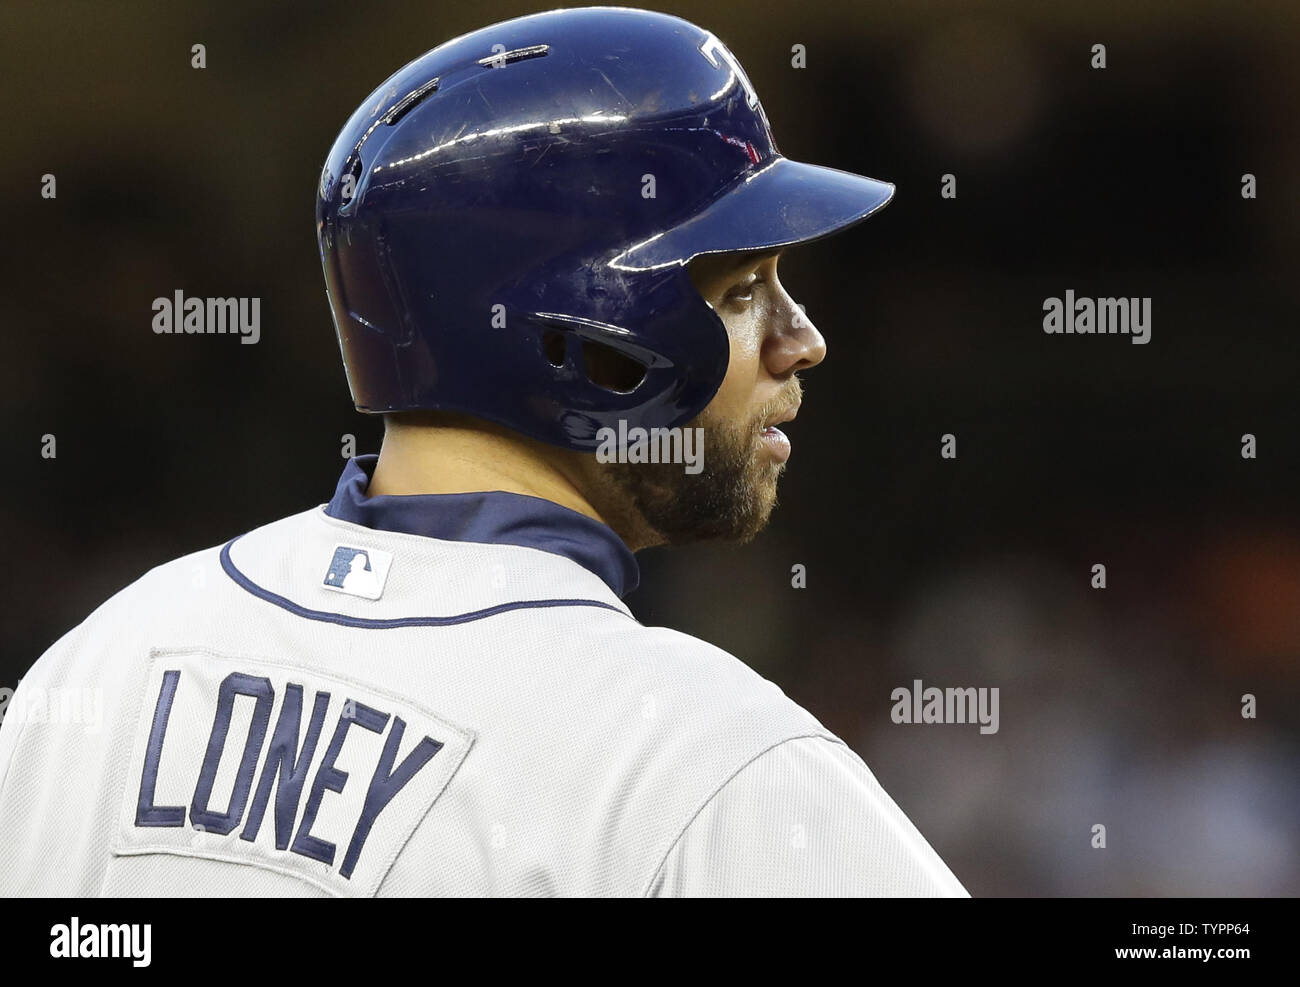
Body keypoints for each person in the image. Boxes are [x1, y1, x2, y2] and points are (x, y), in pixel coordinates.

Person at [0, 7, 967, 897]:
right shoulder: (705, 766)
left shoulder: (95, 671)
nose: (801, 340)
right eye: (744, 288)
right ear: (588, 338)